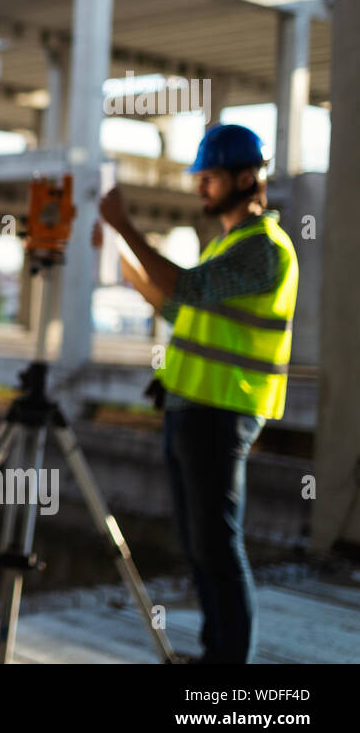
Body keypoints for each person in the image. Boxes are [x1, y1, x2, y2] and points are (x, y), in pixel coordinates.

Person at [95, 123, 298, 663]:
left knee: (218, 547)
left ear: (246, 177)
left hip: (222, 413)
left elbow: (186, 287)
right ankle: (216, 659)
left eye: (209, 178)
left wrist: (126, 224)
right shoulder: (228, 245)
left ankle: (229, 671)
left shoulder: (264, 249)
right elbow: (176, 307)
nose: (200, 188)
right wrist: (123, 254)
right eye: (200, 178)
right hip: (190, 411)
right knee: (199, 546)